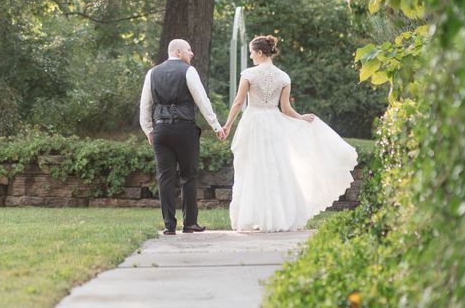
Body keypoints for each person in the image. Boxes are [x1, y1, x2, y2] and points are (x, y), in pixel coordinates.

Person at [221, 35, 358, 232]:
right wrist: (300, 117)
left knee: (251, 167)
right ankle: (278, 218)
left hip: (253, 122)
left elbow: (237, 102)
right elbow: (285, 109)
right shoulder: (283, 77)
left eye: (252, 52)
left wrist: (227, 125)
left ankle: (252, 217)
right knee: (276, 168)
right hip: (273, 123)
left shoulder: (249, 74)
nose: (251, 56)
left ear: (260, 52)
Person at [140, 38, 227, 235]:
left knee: (164, 177)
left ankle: (169, 225)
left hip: (161, 130)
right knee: (188, 175)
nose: (192, 53)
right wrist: (216, 126)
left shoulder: (152, 73)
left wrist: (148, 130)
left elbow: (145, 104)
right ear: (178, 52)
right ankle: (189, 223)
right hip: (184, 129)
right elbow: (202, 100)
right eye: (189, 50)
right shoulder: (188, 71)